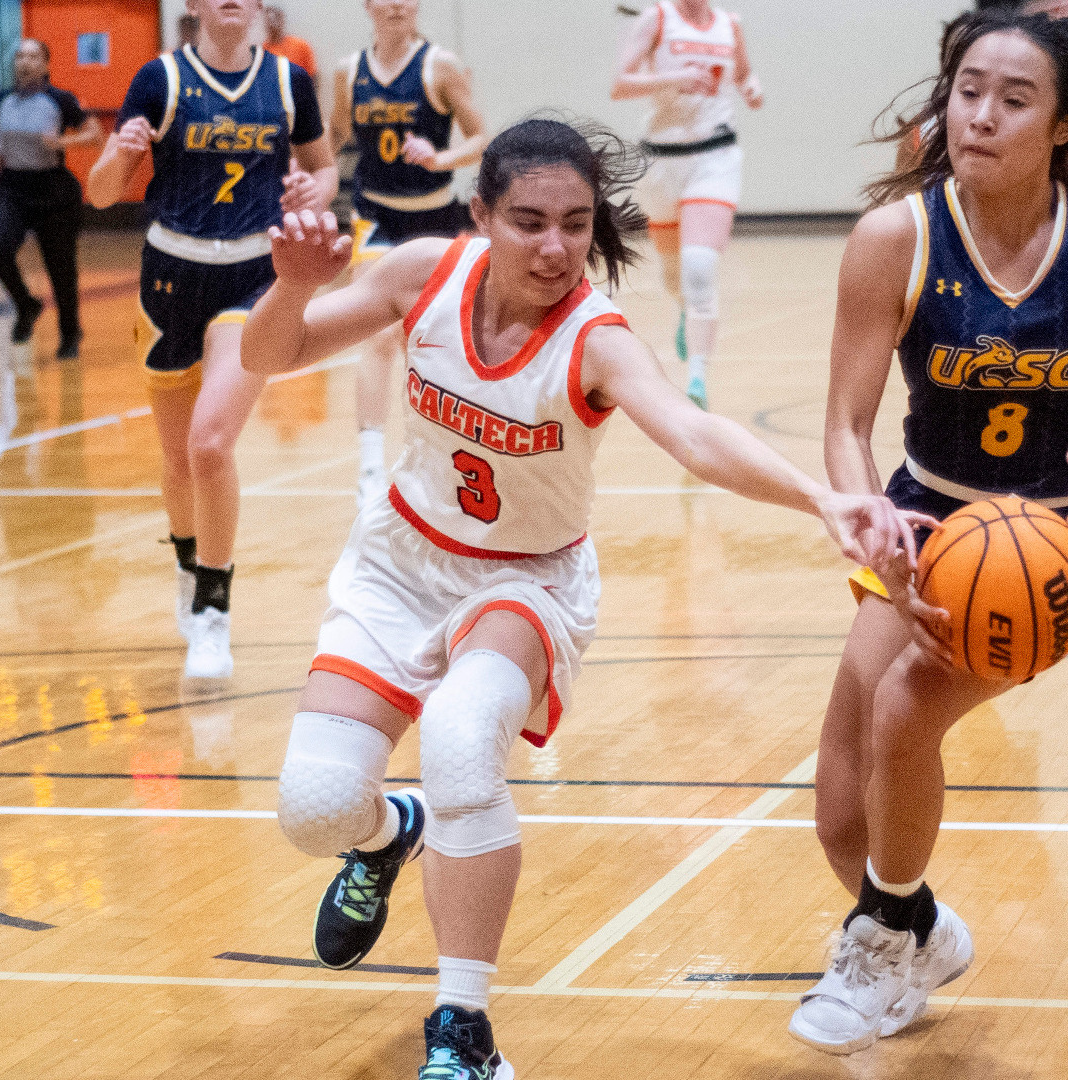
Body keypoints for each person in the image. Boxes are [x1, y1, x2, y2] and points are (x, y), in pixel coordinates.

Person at [238, 116, 910, 1080]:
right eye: (529, 221)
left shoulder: (594, 338)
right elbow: (270, 355)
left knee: (465, 741)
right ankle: (394, 837)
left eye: (576, 223)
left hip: (523, 580)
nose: (556, 247)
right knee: (316, 807)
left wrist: (820, 497)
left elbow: (693, 433)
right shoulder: (424, 270)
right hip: (398, 566)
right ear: (481, 215)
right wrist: (295, 283)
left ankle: (463, 1028)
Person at [794, 10, 1068, 1054]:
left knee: (904, 712)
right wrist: (867, 519)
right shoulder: (898, 238)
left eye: (1014, 99)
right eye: (968, 90)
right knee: (838, 813)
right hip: (924, 524)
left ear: (1065, 125)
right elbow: (843, 423)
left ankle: (879, 949)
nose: (981, 115)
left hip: (1057, 545)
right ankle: (922, 927)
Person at [86, 0, 337, 680]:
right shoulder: (159, 80)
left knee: (211, 444)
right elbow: (103, 193)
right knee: (176, 459)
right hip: (171, 274)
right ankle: (188, 562)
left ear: (260, 6)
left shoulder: (288, 84)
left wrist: (312, 195)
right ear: (192, 6)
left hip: (254, 276)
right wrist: (119, 155)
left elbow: (326, 169)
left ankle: (213, 610)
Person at [335, 0, 489, 507]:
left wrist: (441, 157)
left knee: (434, 341)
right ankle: (370, 466)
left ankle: (439, 453)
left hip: (435, 219)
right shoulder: (348, 72)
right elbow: (332, 137)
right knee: (376, 333)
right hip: (375, 216)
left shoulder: (439, 65)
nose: (397, 4)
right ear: (368, 6)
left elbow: (483, 138)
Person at [611, 0, 763, 410]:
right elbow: (619, 84)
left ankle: (697, 378)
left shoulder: (730, 26)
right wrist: (676, 77)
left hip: (715, 156)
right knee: (675, 273)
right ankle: (685, 312)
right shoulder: (657, 19)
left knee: (700, 267)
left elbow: (745, 75)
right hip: (661, 161)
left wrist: (751, 89)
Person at [0, 39, 102, 359]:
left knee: (60, 266)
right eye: (20, 55)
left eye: (34, 56)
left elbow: (95, 135)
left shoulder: (60, 100)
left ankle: (70, 333)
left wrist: (61, 142)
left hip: (54, 190)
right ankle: (26, 305)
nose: (25, 61)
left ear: (46, 64)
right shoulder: (2, 101)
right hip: (13, 188)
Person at [263, 5, 317, 76]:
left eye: (275, 19)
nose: (272, 24)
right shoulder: (261, 50)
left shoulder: (301, 46)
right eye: (269, 20)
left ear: (282, 21)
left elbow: (312, 75)